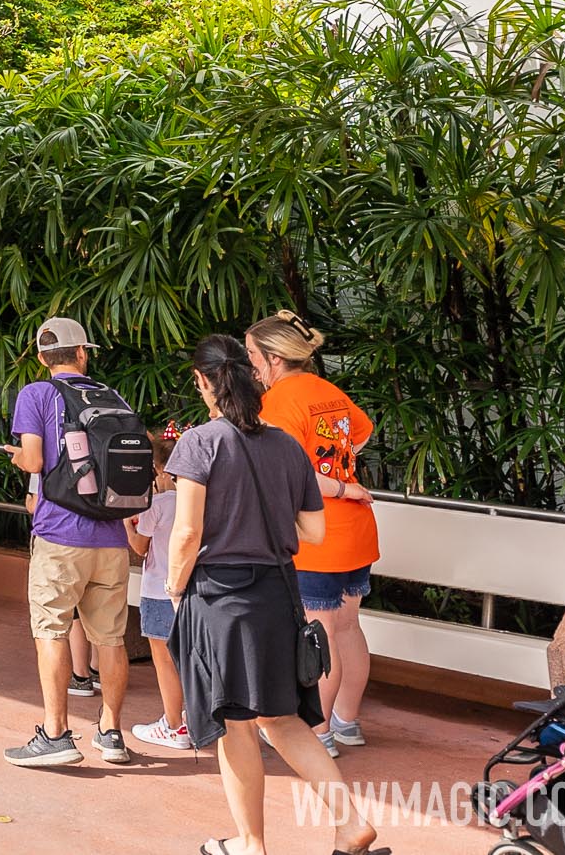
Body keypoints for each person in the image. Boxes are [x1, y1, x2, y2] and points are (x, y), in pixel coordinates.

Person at [167, 334, 379, 855]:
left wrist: (174, 587)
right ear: (251, 374)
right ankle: (350, 822)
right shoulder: (285, 445)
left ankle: (250, 843)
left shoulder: (199, 443)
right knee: (282, 719)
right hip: (280, 593)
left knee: (234, 723)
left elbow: (187, 533)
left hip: (222, 598)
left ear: (202, 382)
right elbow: (314, 531)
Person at [5, 316, 137, 766]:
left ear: (43, 358)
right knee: (111, 639)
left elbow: (34, 460)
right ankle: (111, 732)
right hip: (112, 537)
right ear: (82, 354)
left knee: (51, 630)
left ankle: (56, 733)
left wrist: (19, 458)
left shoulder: (36, 394)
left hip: (60, 535)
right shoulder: (111, 395)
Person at [247, 310, 378, 754]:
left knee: (319, 637)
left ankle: (318, 734)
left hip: (316, 532)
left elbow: (290, 472)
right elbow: (361, 434)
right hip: (355, 529)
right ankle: (346, 722)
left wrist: (335, 483)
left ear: (274, 358)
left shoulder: (278, 402)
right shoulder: (328, 390)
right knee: (348, 628)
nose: (250, 365)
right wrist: (340, 469)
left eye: (252, 354)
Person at [125, 426, 190, 751]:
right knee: (187, 659)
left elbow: (140, 547)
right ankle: (192, 720)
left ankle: (174, 725)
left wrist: (126, 524)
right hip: (188, 592)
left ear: (161, 470)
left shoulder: (159, 503)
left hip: (157, 590)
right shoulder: (196, 503)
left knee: (164, 661)